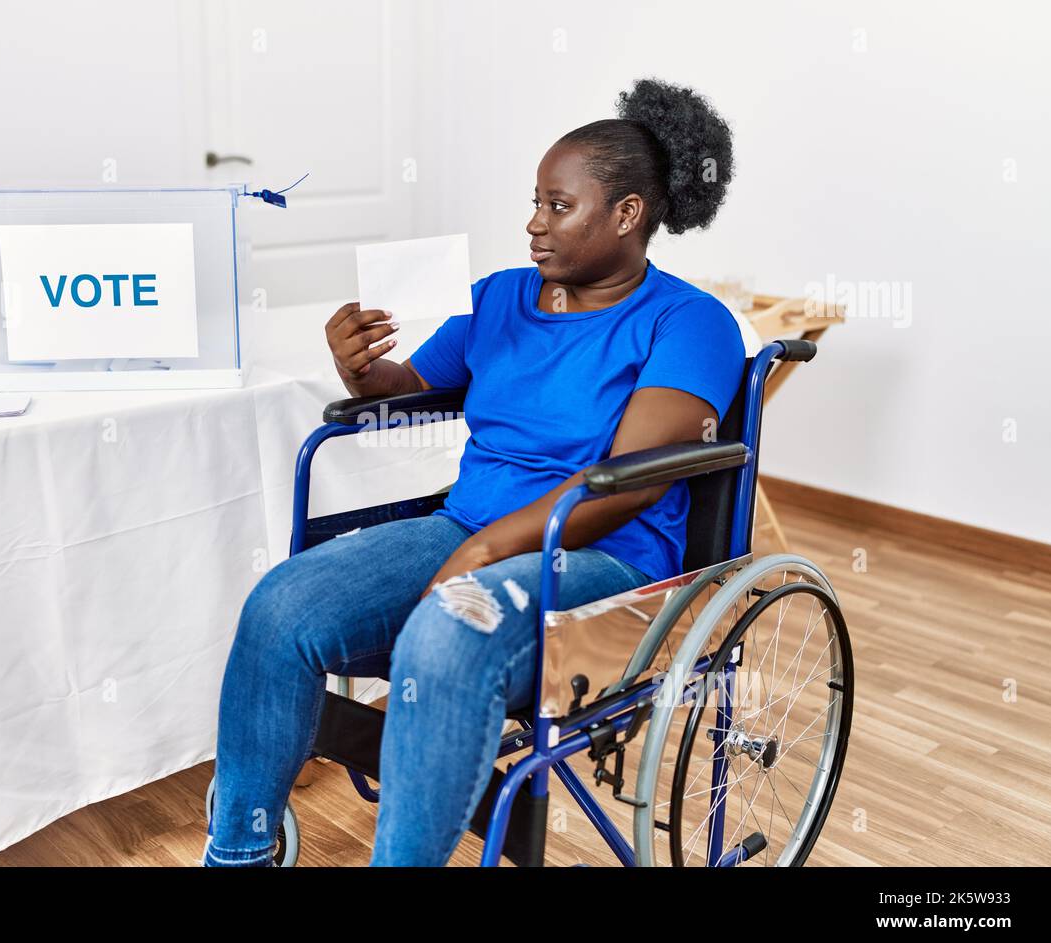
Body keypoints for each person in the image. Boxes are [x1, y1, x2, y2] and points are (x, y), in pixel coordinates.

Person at [204, 78, 745, 867]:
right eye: (534, 202)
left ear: (627, 215)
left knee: (449, 632)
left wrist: (484, 555)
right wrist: (361, 368)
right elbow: (410, 390)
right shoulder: (501, 298)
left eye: (558, 206)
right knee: (281, 607)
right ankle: (238, 851)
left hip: (603, 564)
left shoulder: (689, 321)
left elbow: (632, 477)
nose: (533, 224)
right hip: (465, 527)